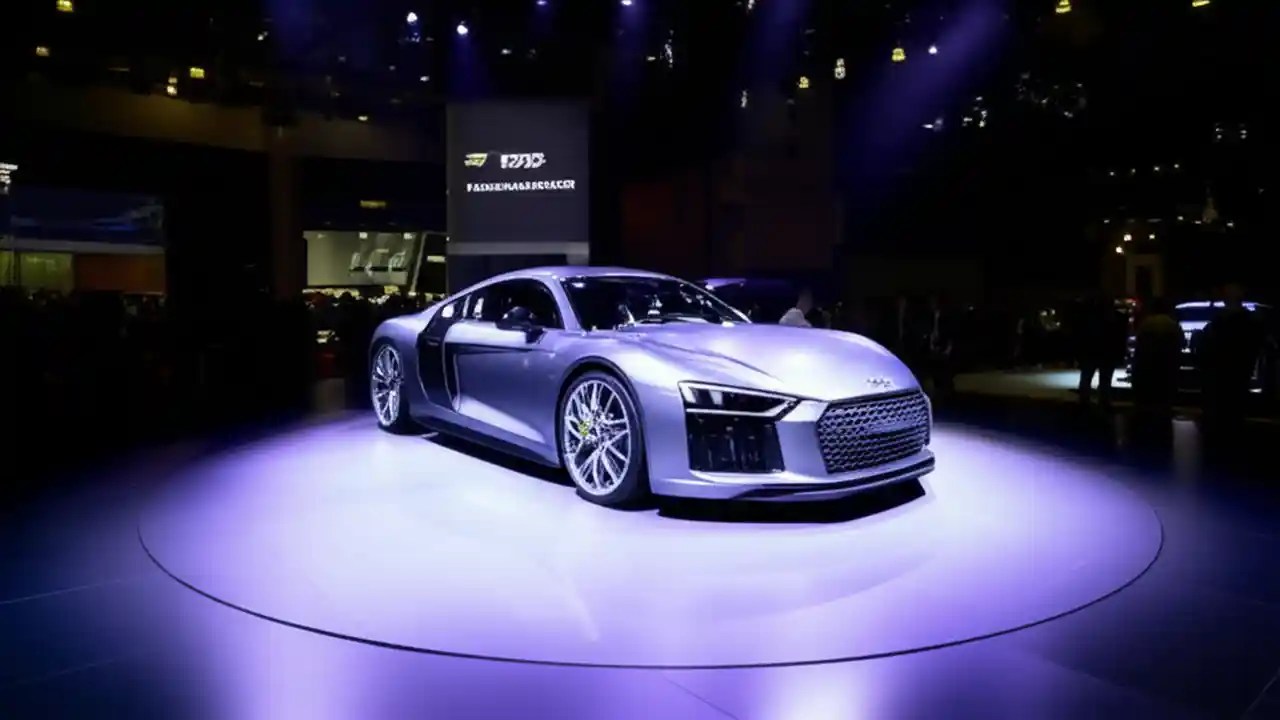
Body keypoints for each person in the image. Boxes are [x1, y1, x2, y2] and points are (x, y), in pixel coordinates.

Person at [1200, 284, 1263, 428]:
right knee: (1236, 411)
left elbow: (1207, 347)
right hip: (1239, 373)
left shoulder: (1218, 322)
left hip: (1221, 375)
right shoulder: (1251, 321)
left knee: (1222, 412)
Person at [1131, 297, 1183, 415]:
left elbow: (1139, 343)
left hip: (1148, 364)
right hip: (1167, 364)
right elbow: (1181, 342)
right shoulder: (1172, 324)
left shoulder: (1146, 323)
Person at [1076, 295, 1128, 409]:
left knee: (1087, 378)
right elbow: (1120, 338)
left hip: (1093, 352)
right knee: (1104, 380)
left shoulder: (1091, 319)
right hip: (1107, 353)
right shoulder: (1116, 318)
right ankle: (1103, 403)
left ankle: (1084, 403)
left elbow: (1083, 336)